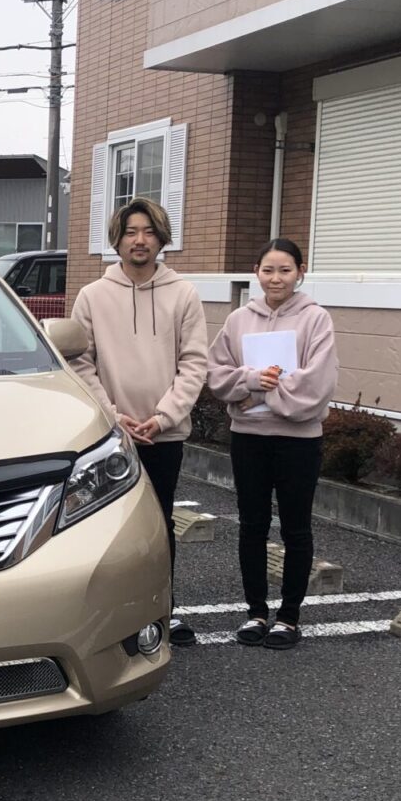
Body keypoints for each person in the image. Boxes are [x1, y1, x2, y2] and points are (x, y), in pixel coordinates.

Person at [70, 197, 208, 646]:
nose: (140, 240)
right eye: (131, 232)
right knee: (106, 529)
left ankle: (164, 610)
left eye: (148, 231)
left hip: (164, 436)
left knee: (159, 525)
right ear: (117, 240)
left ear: (161, 238)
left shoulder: (183, 294)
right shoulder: (93, 296)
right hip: (110, 436)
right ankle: (111, 619)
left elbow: (194, 363)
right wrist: (113, 417)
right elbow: (80, 362)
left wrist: (163, 417)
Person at [205, 239, 339, 650]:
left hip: (299, 441)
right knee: (252, 525)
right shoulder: (239, 319)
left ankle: (289, 617)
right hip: (249, 439)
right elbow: (216, 372)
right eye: (268, 270)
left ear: (301, 272)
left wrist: (258, 392)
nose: (275, 278)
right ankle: (256, 611)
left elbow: (317, 383)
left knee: (296, 527)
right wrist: (249, 380)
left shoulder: (316, 319)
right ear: (256, 272)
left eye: (285, 270)